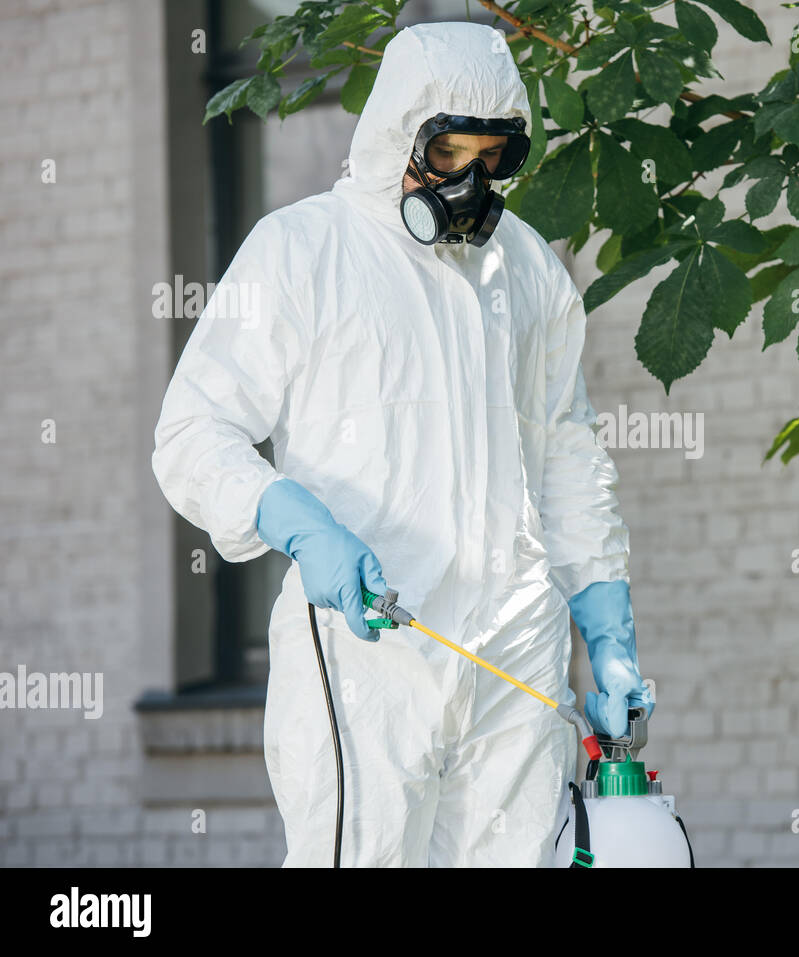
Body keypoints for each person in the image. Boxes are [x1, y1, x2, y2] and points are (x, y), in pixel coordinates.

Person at [151, 21, 654, 867]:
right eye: (450, 153)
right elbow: (192, 431)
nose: (471, 182)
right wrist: (294, 519)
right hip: (371, 648)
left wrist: (606, 623)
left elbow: (566, 450)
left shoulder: (526, 268)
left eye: (491, 158)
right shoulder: (303, 251)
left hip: (515, 654)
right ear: (399, 137)